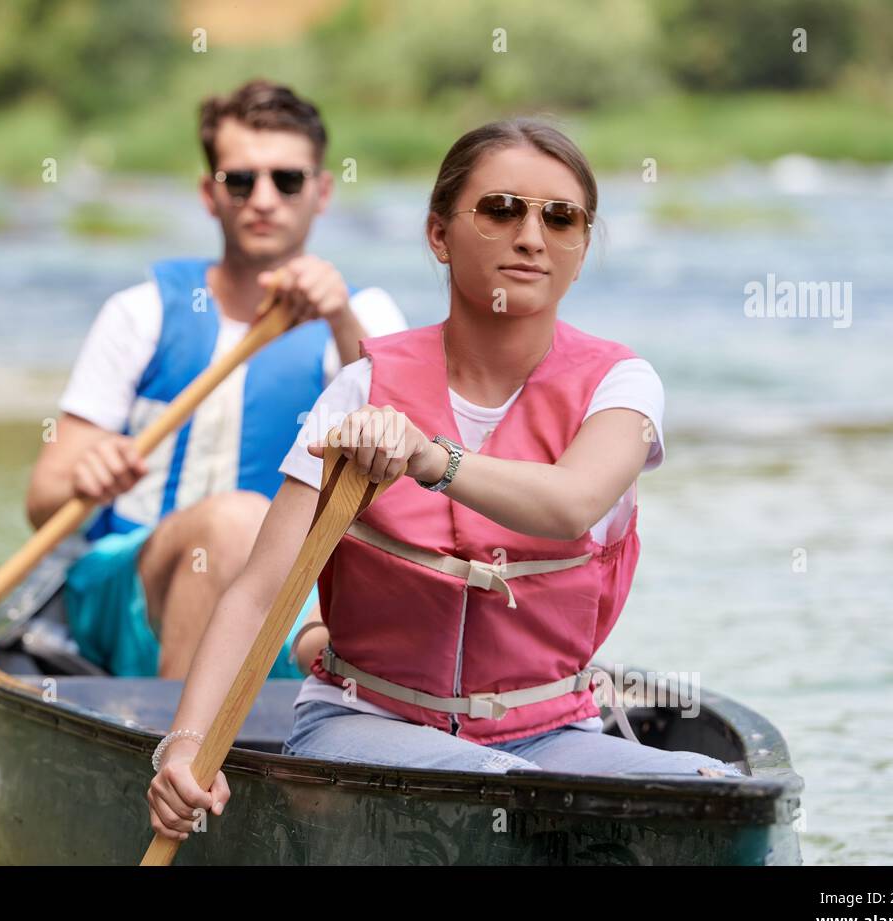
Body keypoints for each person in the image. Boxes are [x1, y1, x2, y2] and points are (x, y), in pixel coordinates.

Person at [145, 117, 743, 844]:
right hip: (367, 723)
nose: (531, 237)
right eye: (500, 210)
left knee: (723, 799)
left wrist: (432, 459)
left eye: (561, 219)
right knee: (512, 804)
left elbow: (573, 503)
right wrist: (182, 749)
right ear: (438, 235)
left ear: (580, 250)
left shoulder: (622, 385)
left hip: (554, 733)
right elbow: (258, 591)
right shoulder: (361, 391)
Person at [25, 80, 407, 680]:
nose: (262, 199)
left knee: (377, 608)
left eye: (286, 180)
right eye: (239, 180)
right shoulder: (140, 313)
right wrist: (86, 477)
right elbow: (43, 503)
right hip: (130, 591)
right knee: (231, 526)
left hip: (295, 595)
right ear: (209, 194)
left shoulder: (368, 319)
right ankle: (183, 755)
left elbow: (408, 488)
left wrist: (339, 319)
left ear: (322, 192)